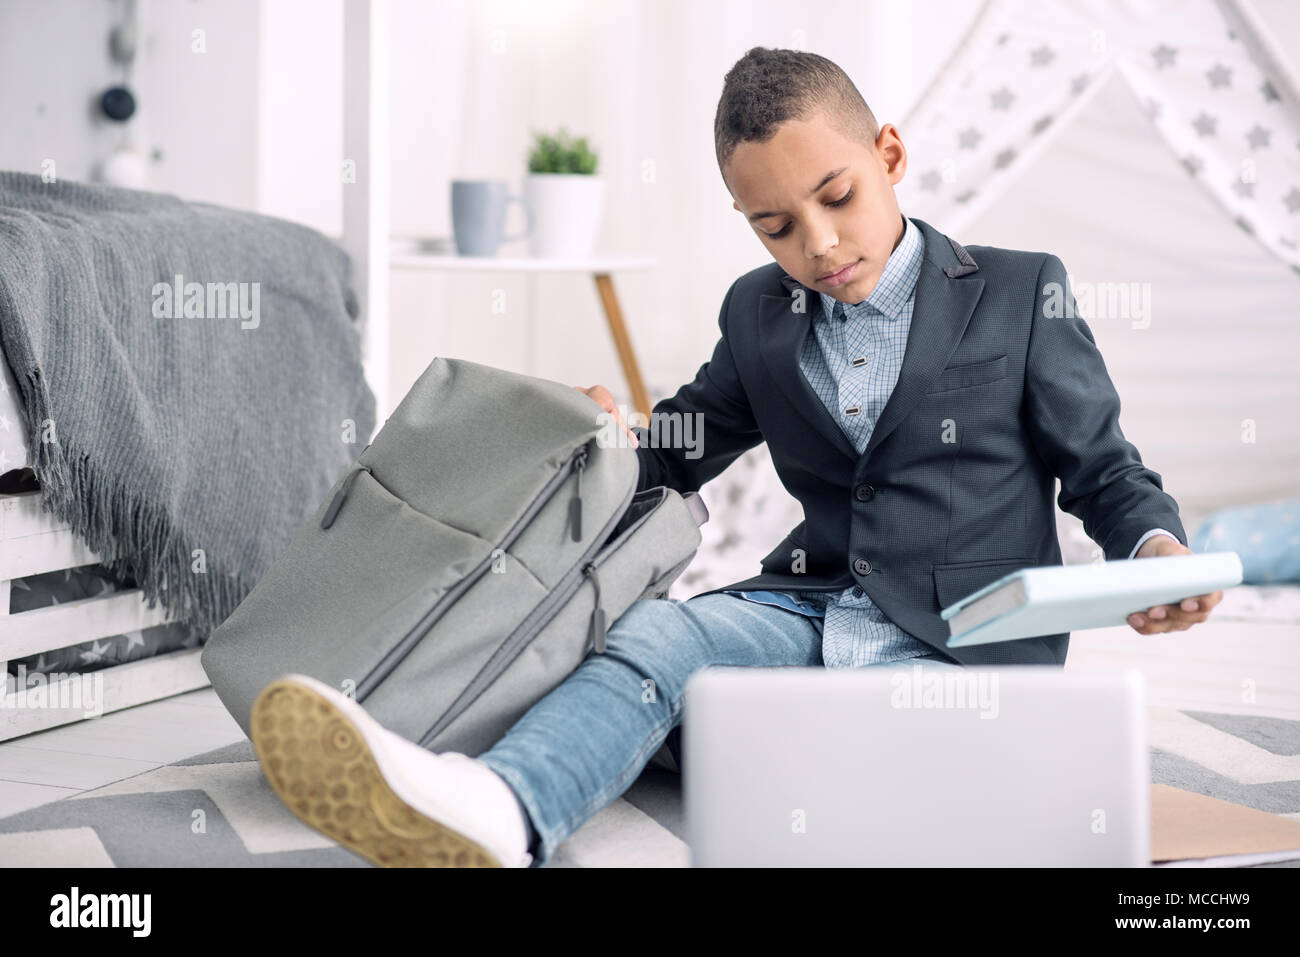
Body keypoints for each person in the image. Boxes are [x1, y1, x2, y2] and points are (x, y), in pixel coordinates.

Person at [253, 46, 1222, 869]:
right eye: (775, 227)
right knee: (656, 641)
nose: (819, 243)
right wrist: (602, 437)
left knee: (855, 780)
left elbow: (1103, 468)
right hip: (805, 608)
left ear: (888, 154)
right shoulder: (756, 314)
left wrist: (1152, 552)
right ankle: (500, 812)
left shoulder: (1018, 293)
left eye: (836, 197)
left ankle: (628, 745)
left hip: (958, 639)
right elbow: (682, 447)